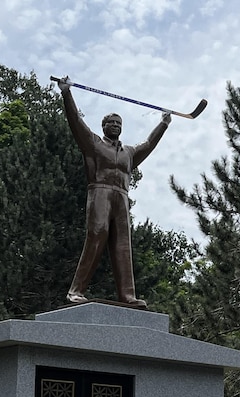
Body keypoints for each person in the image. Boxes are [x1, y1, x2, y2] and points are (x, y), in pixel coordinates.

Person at [55, 75, 171, 308]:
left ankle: (127, 295)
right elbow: (76, 122)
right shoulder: (95, 144)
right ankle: (75, 290)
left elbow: (148, 144)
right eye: (112, 123)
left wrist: (164, 123)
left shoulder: (129, 153)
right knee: (97, 234)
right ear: (104, 126)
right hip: (100, 192)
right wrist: (66, 93)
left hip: (122, 197)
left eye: (119, 123)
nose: (116, 126)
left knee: (123, 243)